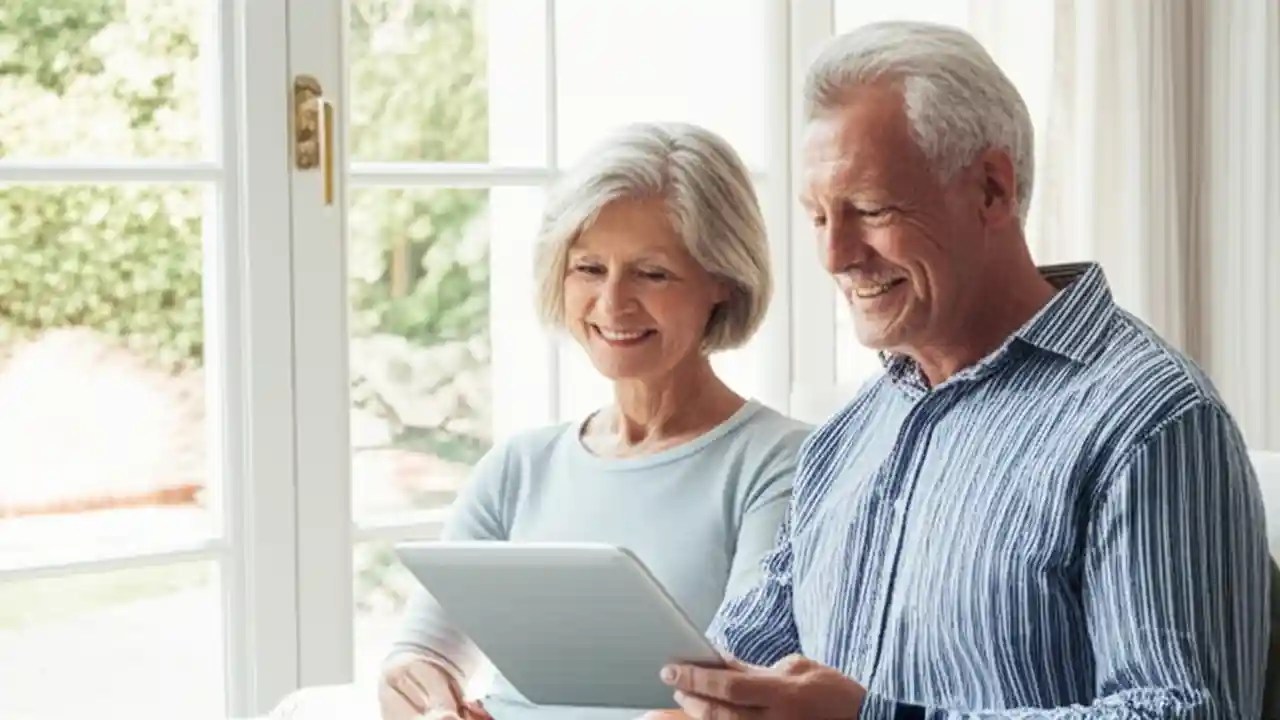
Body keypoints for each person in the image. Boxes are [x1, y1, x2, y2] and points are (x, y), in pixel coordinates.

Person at [655, 21, 1270, 719]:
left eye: (871, 210)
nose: (836, 256)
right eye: (819, 217)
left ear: (992, 189)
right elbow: (731, 667)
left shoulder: (1152, 421)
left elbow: (1187, 712)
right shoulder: (851, 434)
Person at [377, 122, 811, 720]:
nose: (612, 303)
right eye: (588, 268)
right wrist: (428, 700)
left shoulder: (781, 464)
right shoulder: (518, 468)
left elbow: (735, 698)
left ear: (722, 282)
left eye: (652, 272)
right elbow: (419, 660)